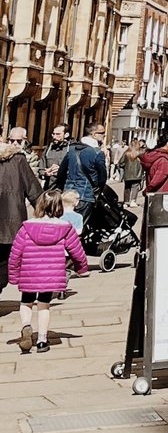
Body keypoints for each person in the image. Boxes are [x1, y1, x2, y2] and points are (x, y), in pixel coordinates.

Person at [8, 191, 88, 353]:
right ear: (59, 207)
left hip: (29, 273)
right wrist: (81, 268)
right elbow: (77, 252)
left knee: (26, 302)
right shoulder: (65, 228)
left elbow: (15, 254)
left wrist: (14, 275)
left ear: (40, 206)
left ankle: (26, 326)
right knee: (44, 305)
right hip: (51, 274)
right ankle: (42, 340)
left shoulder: (27, 227)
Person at [0, 125, 42, 291]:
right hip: (11, 219)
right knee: (4, 259)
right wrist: (46, 213)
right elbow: (33, 190)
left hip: (10, 219)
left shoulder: (18, 158)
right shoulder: (17, 159)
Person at [57, 130, 107, 213]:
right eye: (102, 133)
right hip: (86, 194)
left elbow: (61, 173)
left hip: (67, 193)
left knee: (65, 218)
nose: (104, 135)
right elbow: (102, 177)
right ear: (94, 135)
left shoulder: (71, 150)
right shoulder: (97, 153)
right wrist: (97, 189)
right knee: (80, 220)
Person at [119, 140, 145, 211]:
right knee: (135, 187)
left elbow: (121, 163)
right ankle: (133, 201)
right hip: (137, 174)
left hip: (127, 174)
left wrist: (125, 167)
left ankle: (126, 202)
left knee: (127, 188)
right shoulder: (141, 153)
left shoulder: (126, 153)